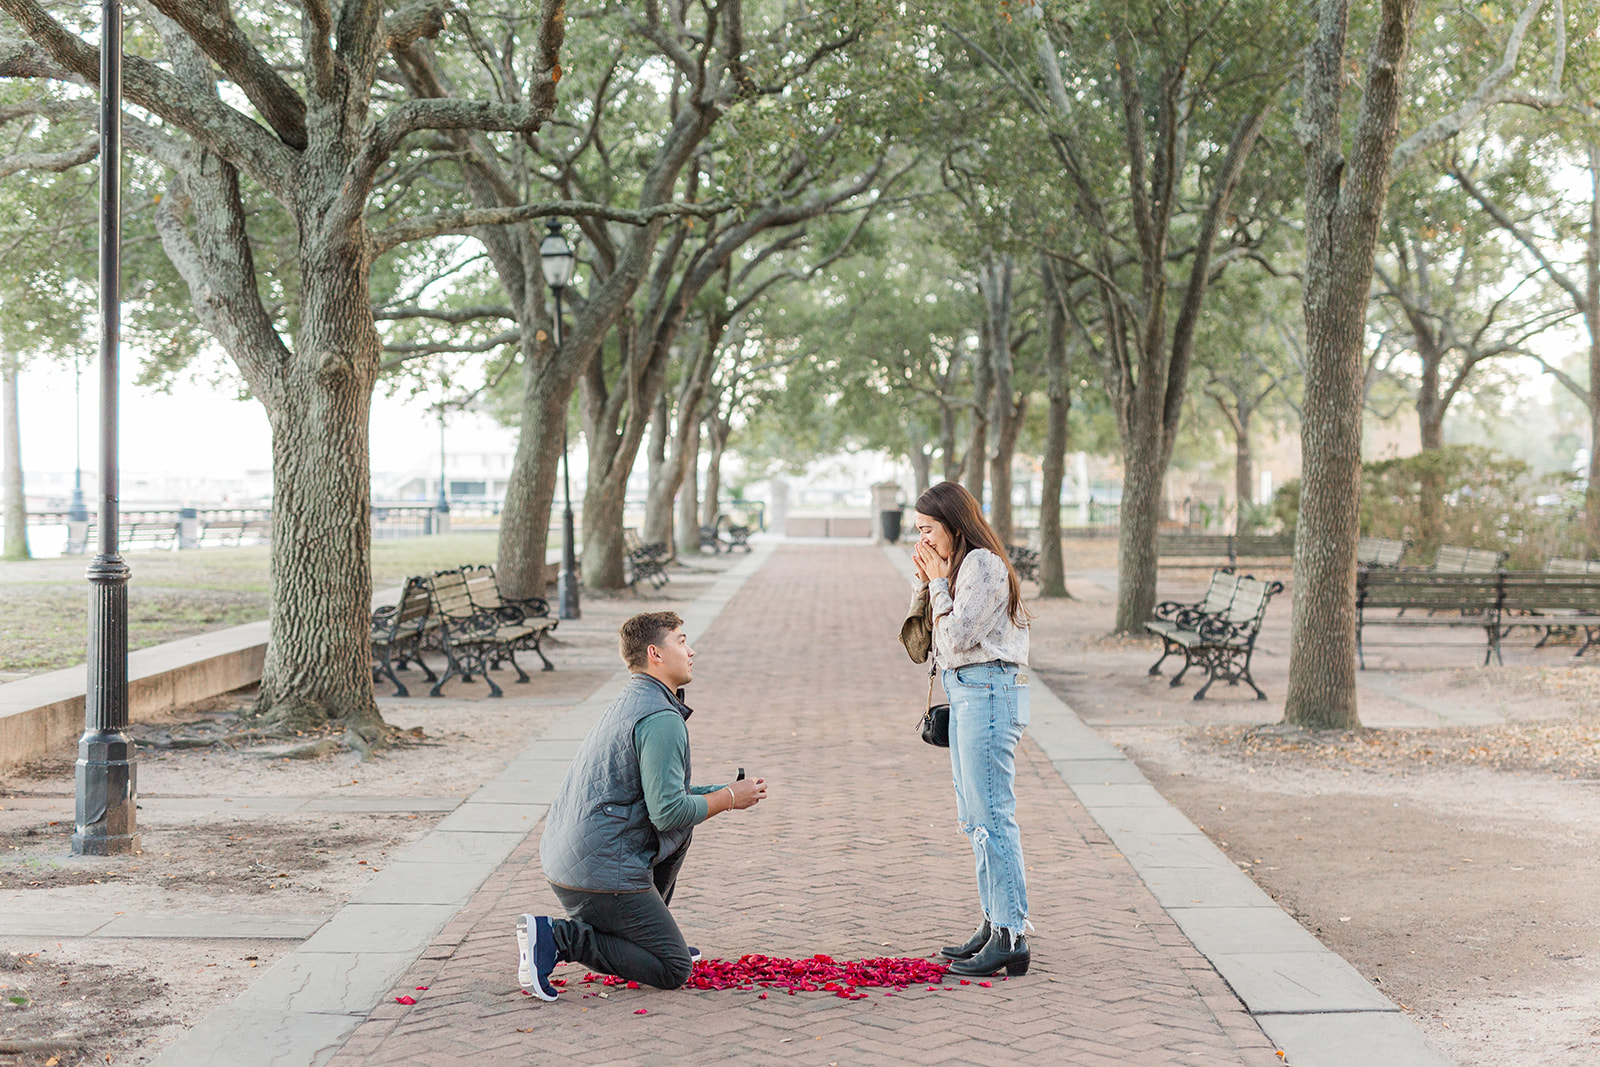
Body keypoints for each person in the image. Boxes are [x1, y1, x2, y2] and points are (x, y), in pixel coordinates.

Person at [517, 611, 768, 1000]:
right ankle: (558, 938)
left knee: (683, 826)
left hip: (572, 859)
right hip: (597, 872)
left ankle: (638, 940)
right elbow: (667, 811)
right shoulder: (660, 718)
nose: (692, 650)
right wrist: (729, 800)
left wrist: (722, 789)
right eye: (682, 641)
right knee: (672, 969)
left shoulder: (634, 698)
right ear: (655, 653)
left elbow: (658, 791)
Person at [910, 481, 1033, 977]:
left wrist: (938, 583)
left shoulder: (982, 564)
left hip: (989, 690)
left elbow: (959, 636)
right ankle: (994, 920)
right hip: (967, 692)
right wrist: (926, 578)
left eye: (928, 530)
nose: (922, 540)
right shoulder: (956, 567)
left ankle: (1011, 934)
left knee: (992, 815)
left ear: (954, 524)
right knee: (973, 816)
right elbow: (929, 635)